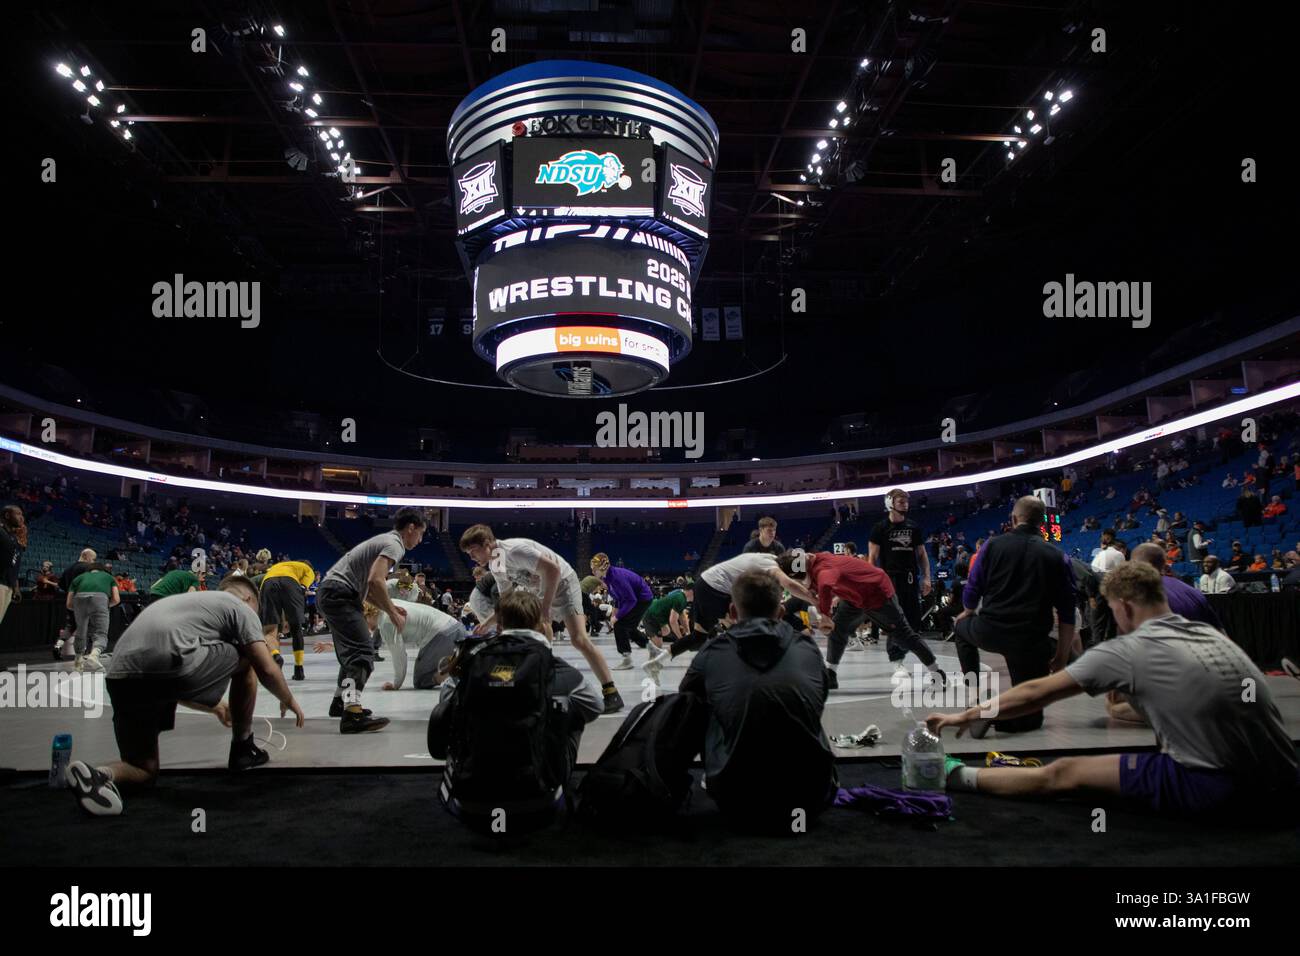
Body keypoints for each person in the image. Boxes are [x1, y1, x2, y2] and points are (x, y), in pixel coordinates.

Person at [928, 562, 1298, 817]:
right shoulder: (1209, 634)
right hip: (1284, 782)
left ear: (1122, 605)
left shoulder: (1128, 649)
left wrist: (968, 714)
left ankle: (954, 775)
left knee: (1064, 773)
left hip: (1222, 790)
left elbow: (1035, 693)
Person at [64, 575, 306, 817]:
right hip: (169, 663)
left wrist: (215, 707)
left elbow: (162, 678)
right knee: (249, 657)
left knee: (143, 769)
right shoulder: (240, 607)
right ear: (248, 598)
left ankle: (99, 775)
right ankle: (243, 748)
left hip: (121, 676)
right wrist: (288, 699)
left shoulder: (183, 603)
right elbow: (265, 667)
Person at [427, 588, 601, 827]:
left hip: (469, 798)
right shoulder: (555, 667)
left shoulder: (470, 663)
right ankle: (550, 775)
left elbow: (446, 710)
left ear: (499, 625)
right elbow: (594, 707)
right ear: (542, 624)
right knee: (571, 712)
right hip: (537, 799)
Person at [679, 570, 837, 829]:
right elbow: (818, 701)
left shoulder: (714, 650)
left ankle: (714, 771)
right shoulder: (807, 649)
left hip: (736, 800)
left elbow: (685, 706)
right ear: (782, 612)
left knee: (701, 701)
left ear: (732, 611)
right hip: (811, 797)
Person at [459, 524, 623, 713]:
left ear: (487, 544)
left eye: (473, 551)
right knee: (538, 632)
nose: (471, 557)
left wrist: (545, 609)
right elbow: (506, 599)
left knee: (579, 640)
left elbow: (553, 570)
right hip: (540, 589)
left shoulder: (515, 551)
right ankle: (542, 684)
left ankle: (611, 692)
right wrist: (488, 622)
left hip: (563, 583)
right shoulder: (495, 563)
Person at [952, 496, 1077, 735]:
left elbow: (972, 588)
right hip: (1030, 641)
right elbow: (1067, 613)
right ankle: (996, 717)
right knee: (1029, 718)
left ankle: (975, 693)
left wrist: (967, 611)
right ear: (1043, 523)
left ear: (1013, 519)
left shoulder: (991, 545)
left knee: (961, 630)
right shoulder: (1058, 556)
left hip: (990, 630)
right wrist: (1061, 655)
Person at [317, 507, 428, 732]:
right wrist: (393, 613)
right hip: (340, 595)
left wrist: (388, 608)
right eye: (421, 534)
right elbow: (376, 581)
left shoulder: (385, 539)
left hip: (333, 592)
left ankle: (342, 702)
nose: (420, 539)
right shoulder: (395, 544)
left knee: (351, 658)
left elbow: (369, 587)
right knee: (362, 654)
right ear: (411, 528)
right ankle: (352, 715)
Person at [778, 548, 945, 690]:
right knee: (838, 630)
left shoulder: (823, 570)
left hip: (877, 594)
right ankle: (830, 674)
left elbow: (826, 585)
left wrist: (825, 615)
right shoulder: (810, 560)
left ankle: (937, 673)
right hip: (854, 596)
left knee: (904, 637)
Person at [658, 551, 813, 663]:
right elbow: (790, 584)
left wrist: (808, 559)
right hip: (715, 588)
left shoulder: (771, 558)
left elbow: (795, 562)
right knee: (744, 626)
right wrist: (815, 600)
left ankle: (658, 660)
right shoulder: (771, 567)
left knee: (698, 637)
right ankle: (748, 664)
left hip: (704, 583)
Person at [868, 489, 932, 664]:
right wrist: (872, 583)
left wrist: (927, 577)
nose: (905, 504)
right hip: (890, 580)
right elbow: (872, 558)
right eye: (900, 501)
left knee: (913, 621)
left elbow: (922, 555)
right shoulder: (880, 528)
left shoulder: (913, 527)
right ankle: (897, 661)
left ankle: (907, 652)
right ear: (890, 503)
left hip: (910, 579)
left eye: (906, 501)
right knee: (895, 619)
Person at [1130, 544, 1225, 632]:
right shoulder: (1194, 592)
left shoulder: (1140, 593)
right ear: (1164, 563)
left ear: (1135, 564)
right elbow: (1220, 631)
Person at [589, 552, 655, 672]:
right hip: (636, 598)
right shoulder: (607, 577)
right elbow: (619, 598)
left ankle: (627, 659)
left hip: (642, 599)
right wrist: (615, 614)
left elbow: (631, 600)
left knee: (620, 625)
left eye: (594, 569)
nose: (593, 572)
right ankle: (652, 649)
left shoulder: (616, 577)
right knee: (628, 627)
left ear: (602, 567)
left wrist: (617, 617)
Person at [258, 558, 316, 680]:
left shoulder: (278, 566)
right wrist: (303, 587)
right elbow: (304, 584)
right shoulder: (306, 568)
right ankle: (299, 670)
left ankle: (275, 655)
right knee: (296, 629)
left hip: (268, 583)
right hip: (290, 583)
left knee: (270, 630)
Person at [67, 565, 121, 672]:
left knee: (81, 630)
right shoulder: (109, 577)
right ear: (102, 570)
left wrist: (79, 609)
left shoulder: (78, 578)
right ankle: (94, 655)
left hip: (79, 599)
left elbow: (69, 604)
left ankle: (78, 659)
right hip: (100, 599)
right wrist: (104, 607)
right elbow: (116, 599)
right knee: (100, 631)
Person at [638, 583, 692, 681]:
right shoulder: (680, 598)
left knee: (666, 631)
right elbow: (673, 620)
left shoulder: (682, 598)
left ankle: (649, 637)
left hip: (659, 617)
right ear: (691, 591)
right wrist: (680, 638)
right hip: (651, 615)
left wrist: (688, 631)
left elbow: (682, 617)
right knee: (658, 645)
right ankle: (651, 664)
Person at [0, 505, 26, 630]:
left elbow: (13, 564)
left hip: (8, 586)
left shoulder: (14, 538)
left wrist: (16, 587)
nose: (22, 518)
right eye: (18, 514)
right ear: (7, 515)